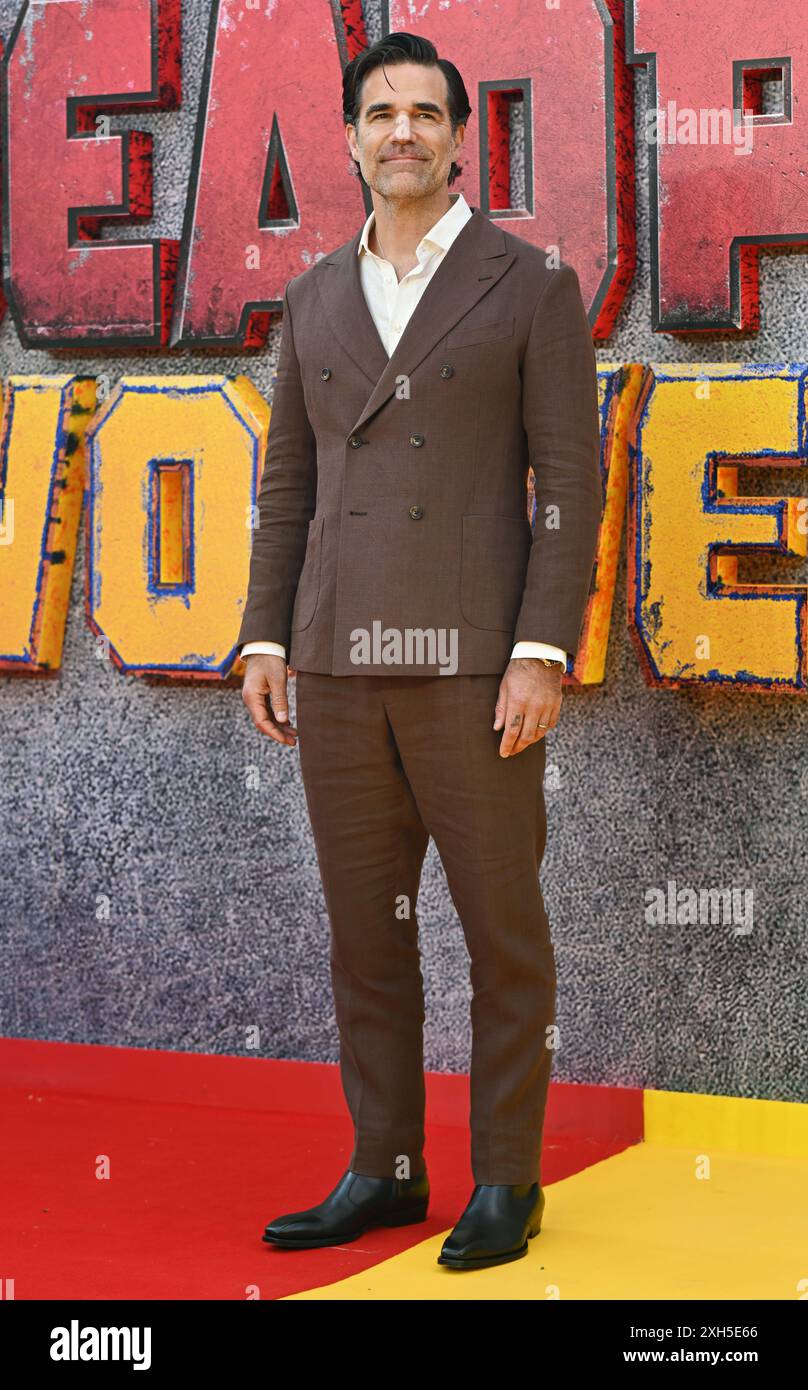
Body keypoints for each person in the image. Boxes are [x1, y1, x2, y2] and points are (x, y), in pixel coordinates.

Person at [238, 31, 602, 1271]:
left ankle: (506, 1178)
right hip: (334, 663)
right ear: (350, 137)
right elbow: (288, 481)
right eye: (380, 111)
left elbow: (570, 482)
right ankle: (387, 1170)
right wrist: (266, 633)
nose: (403, 131)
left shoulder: (530, 283)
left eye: (426, 113)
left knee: (503, 930)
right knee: (365, 933)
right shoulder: (312, 295)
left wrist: (541, 648)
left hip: (472, 665)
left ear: (458, 139)